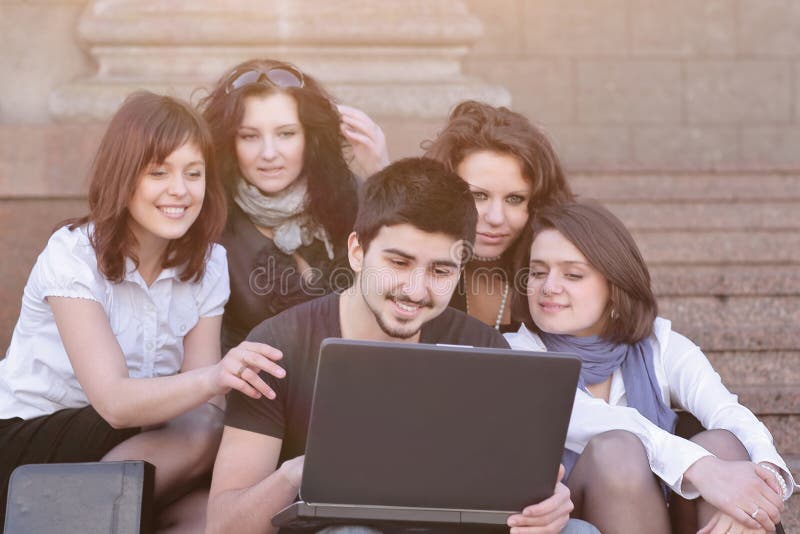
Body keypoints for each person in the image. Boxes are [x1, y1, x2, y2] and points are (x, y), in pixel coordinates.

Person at [206, 158, 597, 534]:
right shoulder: (279, 347)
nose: (415, 291)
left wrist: (546, 503)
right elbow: (223, 526)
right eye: (398, 262)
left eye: (440, 271)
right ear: (357, 251)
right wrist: (299, 472)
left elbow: (515, 489)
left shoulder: (482, 347)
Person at [0, 92, 285, 531]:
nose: (180, 190)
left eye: (194, 174)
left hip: (142, 446)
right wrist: (216, 377)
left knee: (207, 513)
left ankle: (111, 519)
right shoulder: (72, 255)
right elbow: (114, 402)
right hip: (27, 444)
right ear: (125, 177)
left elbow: (201, 407)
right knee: (194, 440)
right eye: (159, 172)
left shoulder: (209, 263)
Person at [505, 201, 796, 534]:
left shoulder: (659, 344)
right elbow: (602, 421)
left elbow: (728, 412)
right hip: (576, 517)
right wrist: (703, 470)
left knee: (723, 443)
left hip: (675, 515)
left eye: (572, 274)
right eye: (539, 272)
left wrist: (759, 486)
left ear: (614, 285)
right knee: (617, 451)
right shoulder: (517, 354)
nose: (549, 287)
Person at [198, 59, 389, 354]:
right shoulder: (208, 213)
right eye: (250, 136)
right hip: (253, 392)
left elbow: (402, 276)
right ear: (230, 141)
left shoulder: (351, 195)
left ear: (309, 137)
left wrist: (381, 174)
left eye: (286, 134)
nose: (269, 153)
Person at [423, 100, 573, 333]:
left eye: (514, 199)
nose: (495, 218)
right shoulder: (412, 273)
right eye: (478, 195)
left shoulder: (556, 279)